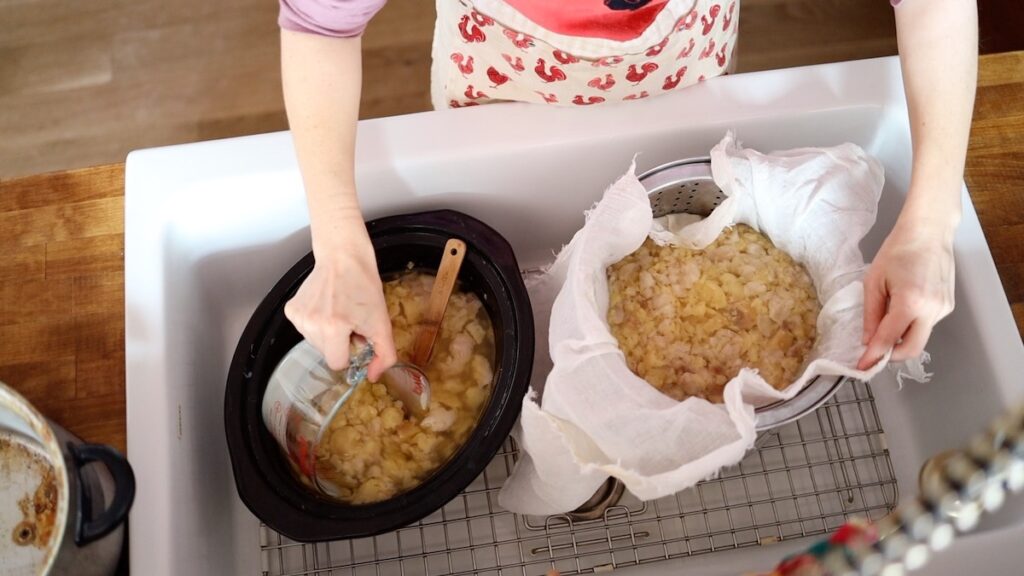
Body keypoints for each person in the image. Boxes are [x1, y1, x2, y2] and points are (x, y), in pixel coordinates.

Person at [279, 0, 977, 381]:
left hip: (689, 72)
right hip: (502, 92)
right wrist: (339, 239)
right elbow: (318, 25)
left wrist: (930, 220)